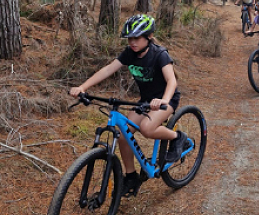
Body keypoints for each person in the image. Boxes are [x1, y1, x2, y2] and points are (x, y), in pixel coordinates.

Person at [68, 14, 192, 197]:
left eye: (136, 38)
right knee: (123, 134)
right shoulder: (129, 53)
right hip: (146, 100)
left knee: (147, 129)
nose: (132, 42)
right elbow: (108, 69)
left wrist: (164, 100)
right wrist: (83, 87)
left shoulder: (160, 54)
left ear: (148, 36)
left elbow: (171, 81)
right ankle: (131, 176)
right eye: (129, 38)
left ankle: (177, 137)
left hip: (166, 100)